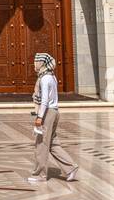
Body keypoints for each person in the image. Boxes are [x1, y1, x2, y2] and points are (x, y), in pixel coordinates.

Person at [29, 53, 78, 183]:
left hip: (48, 113)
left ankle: (40, 175)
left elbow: (44, 100)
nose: (34, 64)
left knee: (42, 144)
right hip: (54, 112)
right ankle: (71, 168)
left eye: (37, 62)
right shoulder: (51, 77)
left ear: (42, 63)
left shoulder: (45, 79)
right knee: (53, 144)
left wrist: (39, 117)